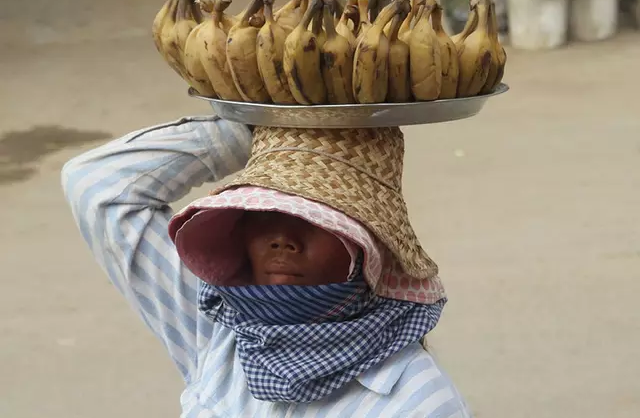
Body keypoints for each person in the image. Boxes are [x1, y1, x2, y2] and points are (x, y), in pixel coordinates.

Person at [62, 115, 472, 417]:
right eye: (261, 214)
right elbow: (97, 185)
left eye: (312, 219)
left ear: (365, 252)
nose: (282, 239)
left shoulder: (416, 402)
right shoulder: (221, 330)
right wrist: (262, 125)